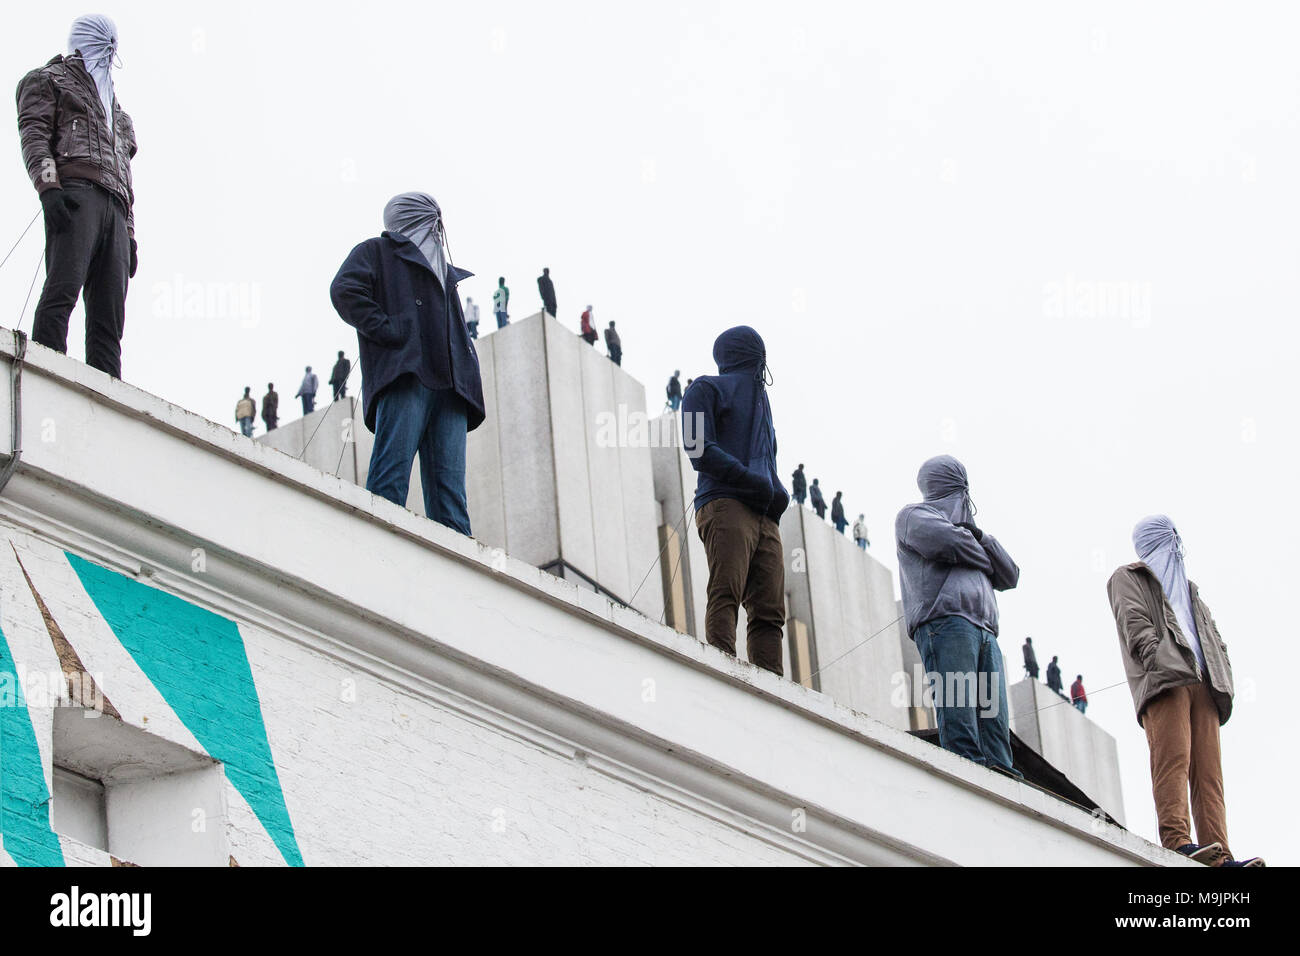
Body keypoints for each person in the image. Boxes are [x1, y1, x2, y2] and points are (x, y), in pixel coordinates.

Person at [1107, 515, 1263, 867]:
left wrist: (1220, 668)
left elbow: (1213, 636)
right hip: (1166, 680)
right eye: (1167, 537)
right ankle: (1178, 842)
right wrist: (1159, 659)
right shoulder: (1128, 577)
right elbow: (1134, 622)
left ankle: (1220, 855)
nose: (1175, 544)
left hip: (1204, 684)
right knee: (1172, 762)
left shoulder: (1190, 589)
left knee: (1209, 776)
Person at [329, 192, 486, 534]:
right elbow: (344, 290)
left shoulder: (444, 269)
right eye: (430, 216)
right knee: (390, 478)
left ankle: (460, 578)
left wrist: (467, 361)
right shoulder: (376, 251)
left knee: (451, 499)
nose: (437, 225)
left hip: (453, 388)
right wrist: (390, 330)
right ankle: (378, 552)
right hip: (407, 376)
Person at [18, 15, 138, 379]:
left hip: (115, 207)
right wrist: (49, 187)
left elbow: (126, 174)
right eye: (103, 40)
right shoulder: (48, 79)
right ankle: (46, 377)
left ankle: (105, 400)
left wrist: (129, 233)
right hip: (77, 195)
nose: (109, 47)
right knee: (62, 290)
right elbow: (35, 134)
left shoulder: (118, 114)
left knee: (109, 318)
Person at [895, 455, 1021, 776]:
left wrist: (980, 539)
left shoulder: (976, 533)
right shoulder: (913, 515)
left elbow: (1010, 575)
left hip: (985, 632)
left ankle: (1001, 776)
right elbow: (947, 544)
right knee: (959, 713)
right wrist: (984, 555)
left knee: (994, 721)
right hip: (946, 623)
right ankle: (968, 777)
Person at [681, 327, 789, 675]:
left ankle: (774, 688)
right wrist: (749, 479)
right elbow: (697, 448)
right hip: (726, 502)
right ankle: (722, 670)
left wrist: (776, 492)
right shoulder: (704, 388)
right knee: (726, 588)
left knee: (770, 611)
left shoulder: (763, 406)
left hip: (765, 513)